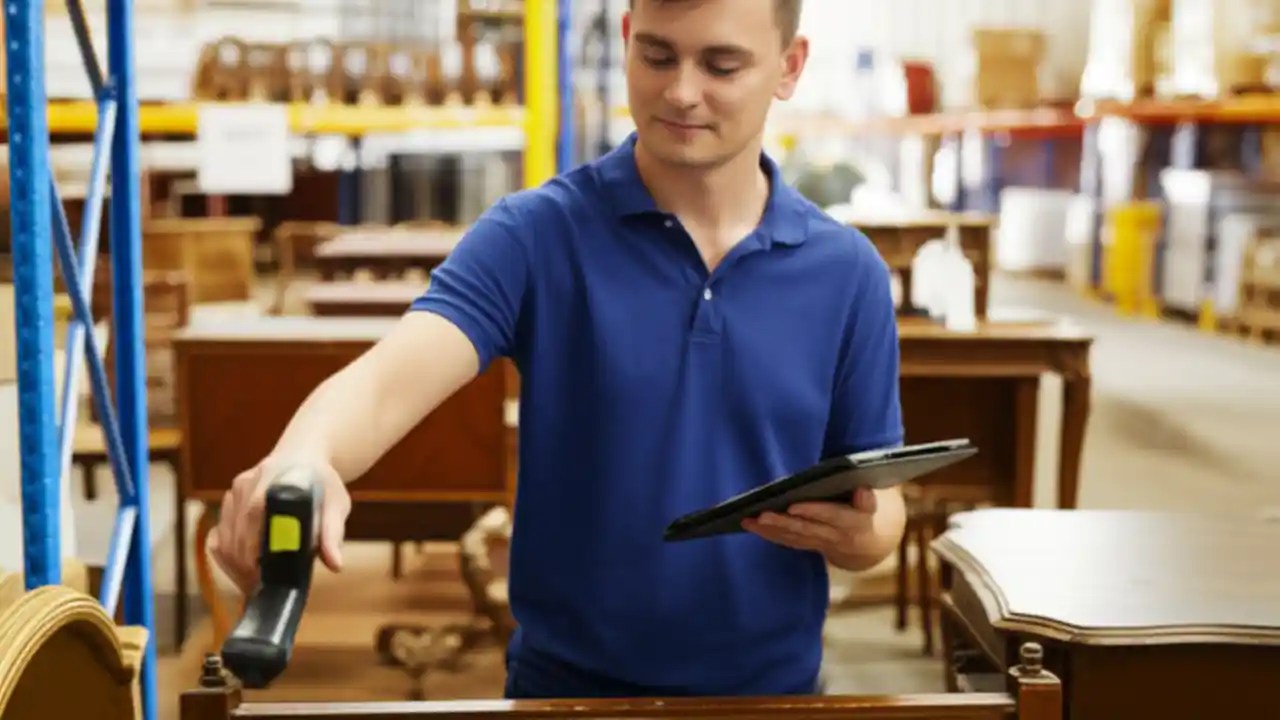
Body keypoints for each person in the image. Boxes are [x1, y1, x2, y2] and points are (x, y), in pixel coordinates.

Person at [210, 0, 906, 700]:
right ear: (628, 39)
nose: (681, 92)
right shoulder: (537, 235)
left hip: (772, 701)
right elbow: (386, 382)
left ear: (789, 67)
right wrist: (304, 456)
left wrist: (865, 539)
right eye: (658, 56)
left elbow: (882, 503)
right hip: (566, 694)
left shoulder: (847, 274)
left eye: (721, 65)